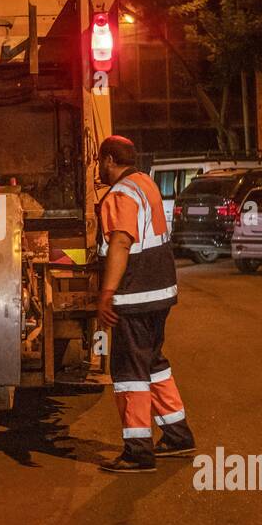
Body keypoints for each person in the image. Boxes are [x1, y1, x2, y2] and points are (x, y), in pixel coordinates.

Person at [94, 135, 196, 473]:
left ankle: (137, 452)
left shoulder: (120, 193)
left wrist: (107, 293)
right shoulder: (145, 184)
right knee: (153, 362)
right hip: (159, 293)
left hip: (134, 295)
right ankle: (177, 435)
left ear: (109, 160)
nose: (98, 168)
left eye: (99, 162)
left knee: (128, 372)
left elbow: (121, 242)